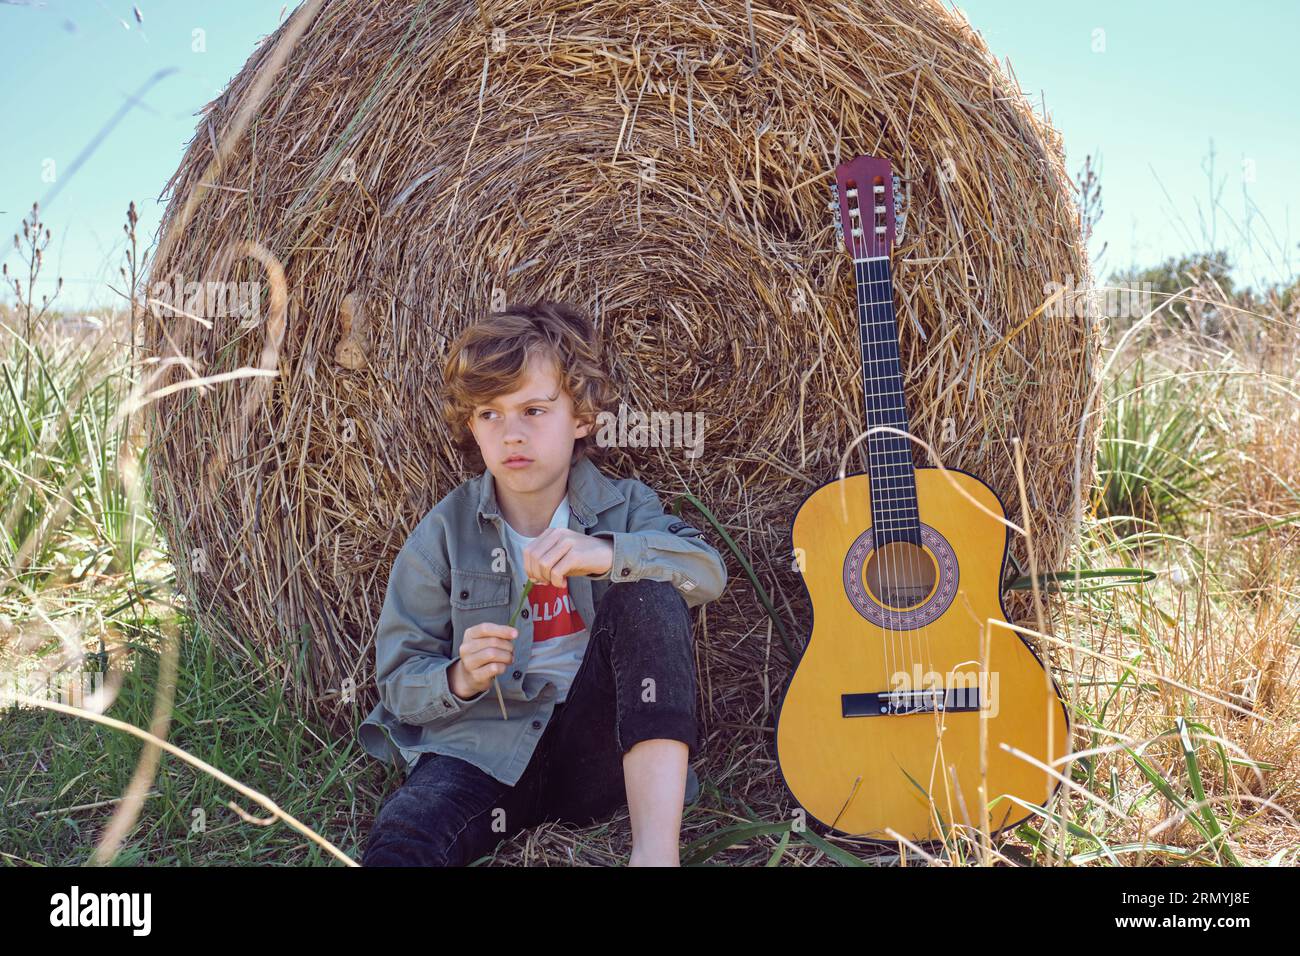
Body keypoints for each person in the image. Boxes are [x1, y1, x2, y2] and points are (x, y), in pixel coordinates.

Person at [358, 300, 727, 866]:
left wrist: (605, 554)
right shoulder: (444, 534)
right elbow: (399, 681)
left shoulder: (623, 508)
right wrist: (459, 677)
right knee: (404, 838)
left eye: (533, 410)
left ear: (580, 417)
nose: (511, 435)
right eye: (490, 414)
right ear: (471, 427)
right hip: (480, 747)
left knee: (651, 593)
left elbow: (706, 572)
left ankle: (656, 855)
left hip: (598, 753)